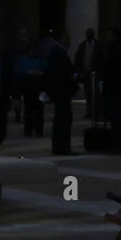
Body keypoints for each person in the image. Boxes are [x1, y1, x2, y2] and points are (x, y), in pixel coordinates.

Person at [43, 28, 77, 156]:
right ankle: (62, 147)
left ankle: (59, 147)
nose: (70, 40)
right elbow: (62, 74)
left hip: (60, 92)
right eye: (68, 37)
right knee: (63, 120)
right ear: (63, 37)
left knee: (61, 120)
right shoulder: (59, 52)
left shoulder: (57, 51)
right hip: (62, 93)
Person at [101, 27, 121, 155]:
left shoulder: (118, 52)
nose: (107, 38)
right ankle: (116, 144)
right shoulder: (114, 51)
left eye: (109, 35)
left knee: (117, 119)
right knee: (114, 119)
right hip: (113, 89)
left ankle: (118, 146)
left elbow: (118, 73)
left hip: (115, 89)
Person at [74, 28, 100, 119]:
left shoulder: (98, 46)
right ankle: (89, 111)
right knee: (88, 93)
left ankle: (95, 112)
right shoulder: (82, 46)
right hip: (85, 73)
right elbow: (77, 60)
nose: (88, 36)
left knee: (94, 93)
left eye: (90, 34)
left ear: (93, 35)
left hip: (94, 73)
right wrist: (79, 71)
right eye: (87, 34)